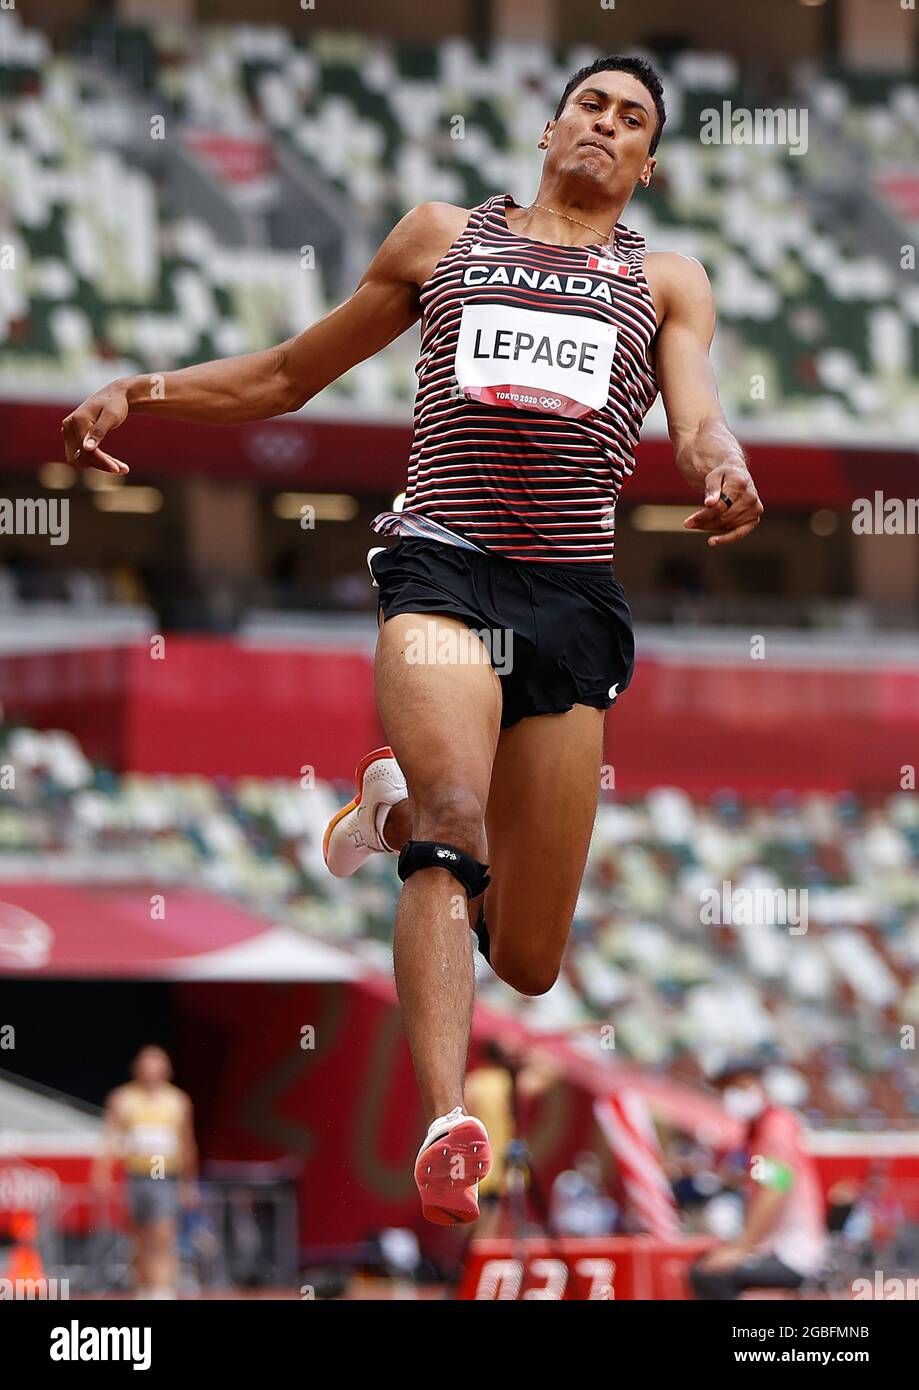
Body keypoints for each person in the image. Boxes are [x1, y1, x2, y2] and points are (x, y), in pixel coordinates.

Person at [61, 55, 763, 1227]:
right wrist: (149, 387)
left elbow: (693, 416)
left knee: (530, 958)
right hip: (441, 567)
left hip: (572, 604)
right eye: (590, 103)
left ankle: (380, 809)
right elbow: (290, 373)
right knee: (456, 818)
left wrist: (722, 461)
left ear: (647, 166)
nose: (605, 123)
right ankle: (448, 1123)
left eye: (632, 119)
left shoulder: (669, 280)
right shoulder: (440, 236)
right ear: (548, 126)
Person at [689, 1059, 827, 1300]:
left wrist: (743, 1247)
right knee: (705, 1264)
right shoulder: (758, 1131)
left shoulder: (776, 1127)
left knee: (708, 1275)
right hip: (775, 1248)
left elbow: (776, 1188)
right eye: (726, 1089)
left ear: (761, 1086)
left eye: (740, 1086)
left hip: (793, 1254)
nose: (730, 1095)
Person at [93, 1045, 198, 1299]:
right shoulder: (123, 1098)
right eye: (147, 1066)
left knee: (162, 1235)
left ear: (166, 1070)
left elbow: (187, 1143)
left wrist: (188, 1183)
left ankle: (162, 1292)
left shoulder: (178, 1101)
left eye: (157, 1066)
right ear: (138, 1069)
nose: (152, 1072)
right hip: (136, 1176)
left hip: (164, 1178)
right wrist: (101, 1172)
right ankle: (143, 1288)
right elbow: (110, 1138)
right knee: (138, 1238)